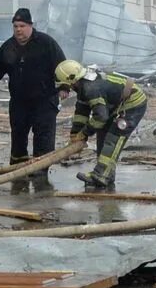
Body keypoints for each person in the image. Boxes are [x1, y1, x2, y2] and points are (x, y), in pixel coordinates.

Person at [0, 8, 67, 193]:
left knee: (43, 137)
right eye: (15, 26)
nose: (18, 30)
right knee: (18, 136)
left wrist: (64, 87)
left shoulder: (46, 43)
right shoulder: (8, 47)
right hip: (19, 102)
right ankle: (18, 169)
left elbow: (62, 65)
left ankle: (40, 172)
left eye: (22, 26)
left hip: (44, 100)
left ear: (31, 26)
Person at [56, 60, 149, 192]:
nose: (67, 88)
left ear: (70, 80)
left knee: (114, 137)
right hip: (114, 105)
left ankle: (100, 175)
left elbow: (100, 117)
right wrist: (75, 134)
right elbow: (82, 111)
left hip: (132, 103)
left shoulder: (90, 88)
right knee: (103, 136)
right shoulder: (83, 85)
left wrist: (84, 134)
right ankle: (106, 175)